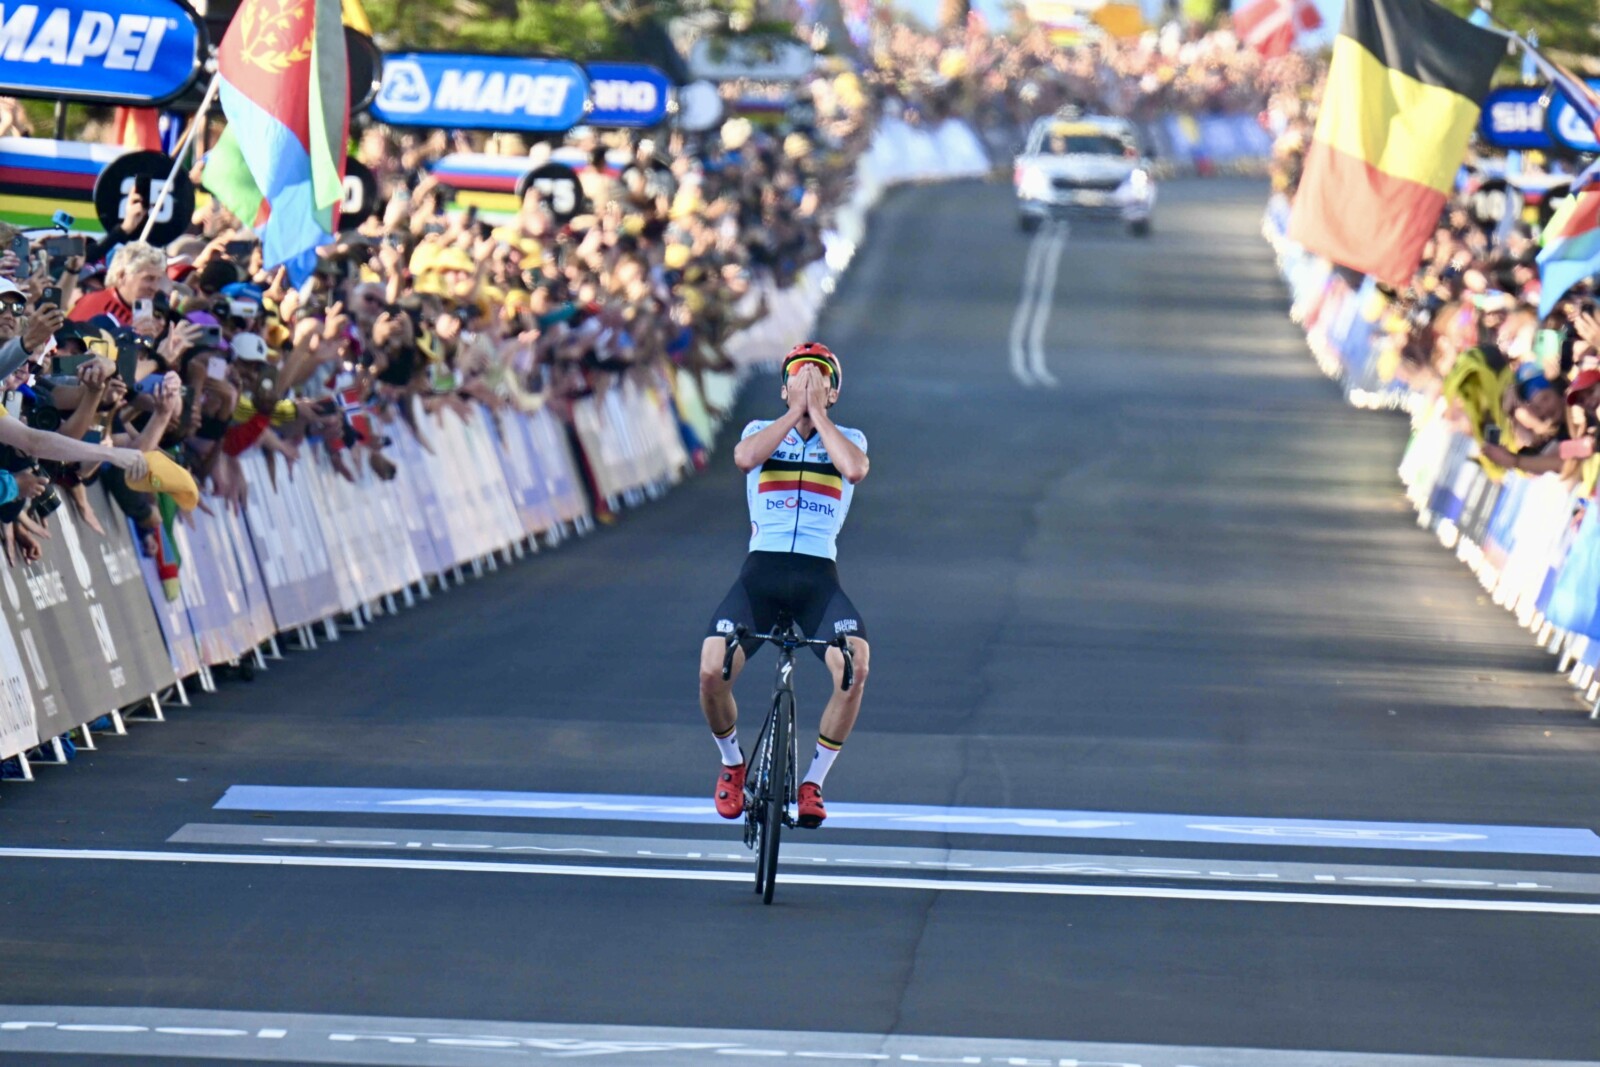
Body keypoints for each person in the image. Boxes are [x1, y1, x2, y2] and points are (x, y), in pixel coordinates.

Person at [698, 342, 871, 829]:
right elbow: (745, 458)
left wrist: (816, 411)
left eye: (820, 379)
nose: (809, 383)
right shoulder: (761, 431)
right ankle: (733, 763)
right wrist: (797, 409)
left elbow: (854, 469)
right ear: (784, 389)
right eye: (799, 377)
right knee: (712, 671)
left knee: (854, 668)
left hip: (817, 577)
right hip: (762, 575)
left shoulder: (848, 437)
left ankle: (813, 781)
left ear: (834, 393)